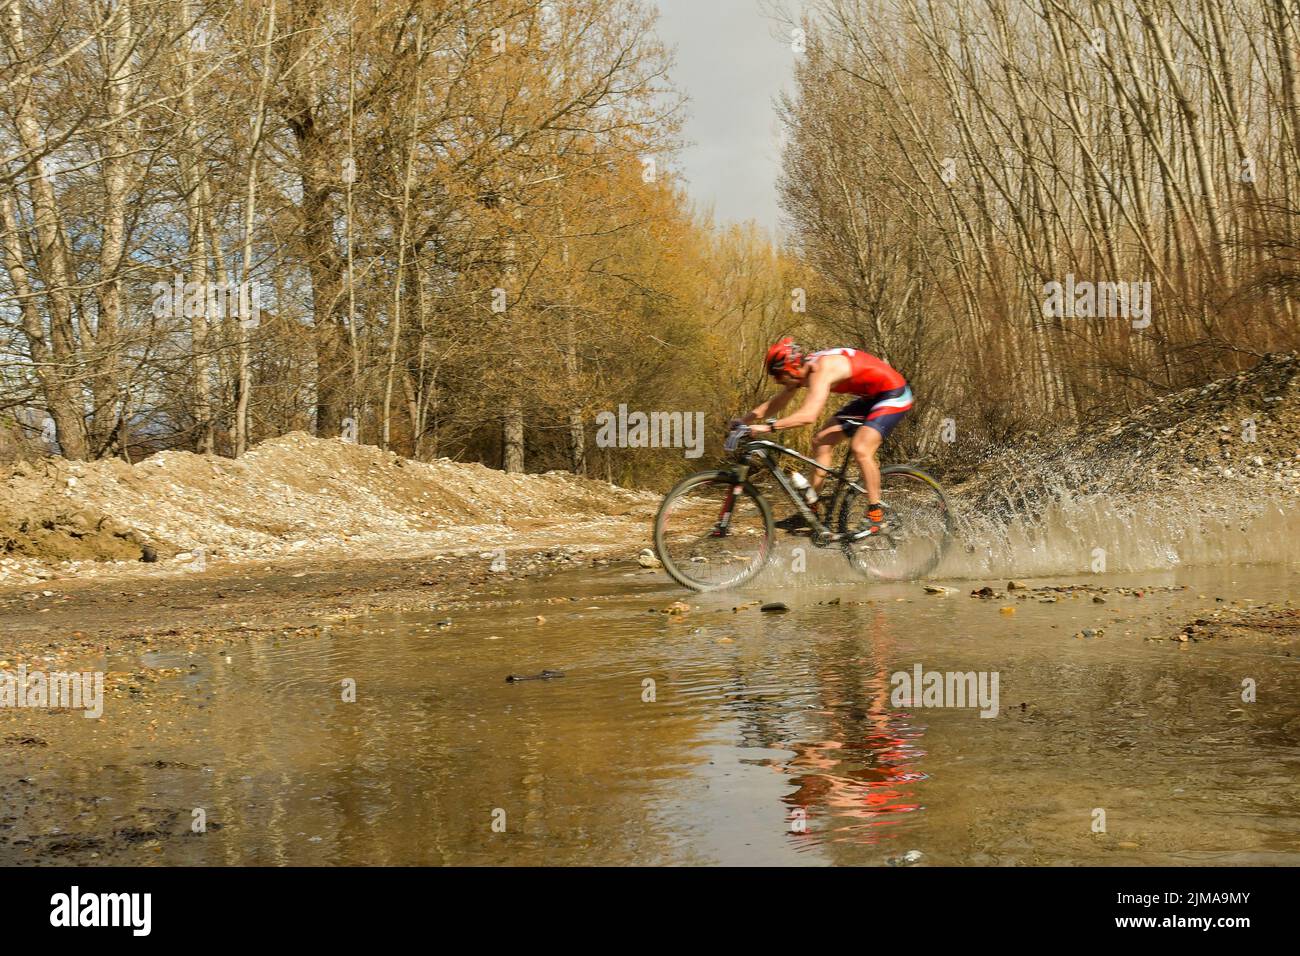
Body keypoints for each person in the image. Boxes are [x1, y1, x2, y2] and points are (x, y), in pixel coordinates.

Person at [741, 337, 913, 537]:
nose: (780, 383)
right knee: (821, 442)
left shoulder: (821, 370)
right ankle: (811, 510)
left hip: (894, 393)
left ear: (792, 368)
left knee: (861, 448)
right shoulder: (801, 372)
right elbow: (776, 403)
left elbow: (808, 416)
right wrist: (743, 421)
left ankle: (876, 515)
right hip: (870, 397)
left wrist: (767, 428)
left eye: (780, 377)